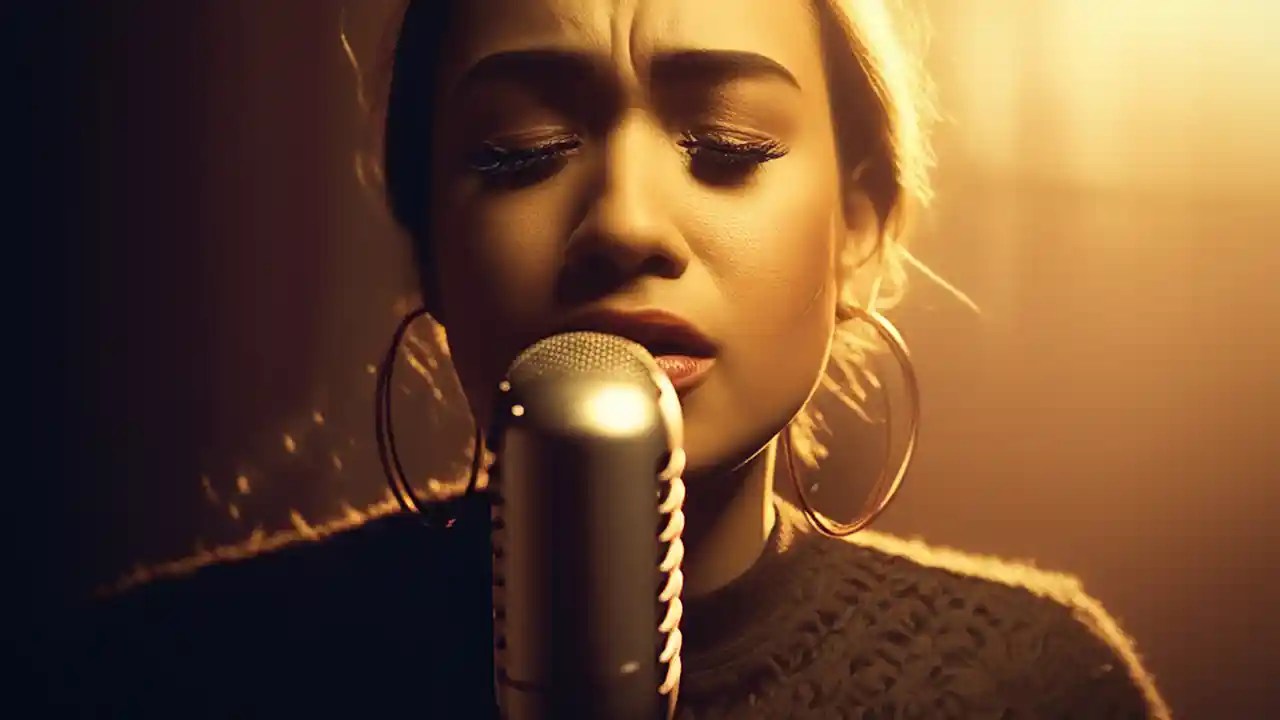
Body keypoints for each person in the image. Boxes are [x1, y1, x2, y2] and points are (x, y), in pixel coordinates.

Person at [52, 0, 1170, 718]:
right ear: (428, 253)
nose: (626, 222)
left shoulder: (1029, 685)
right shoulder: (163, 674)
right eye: (519, 153)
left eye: (727, 148)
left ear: (859, 233)